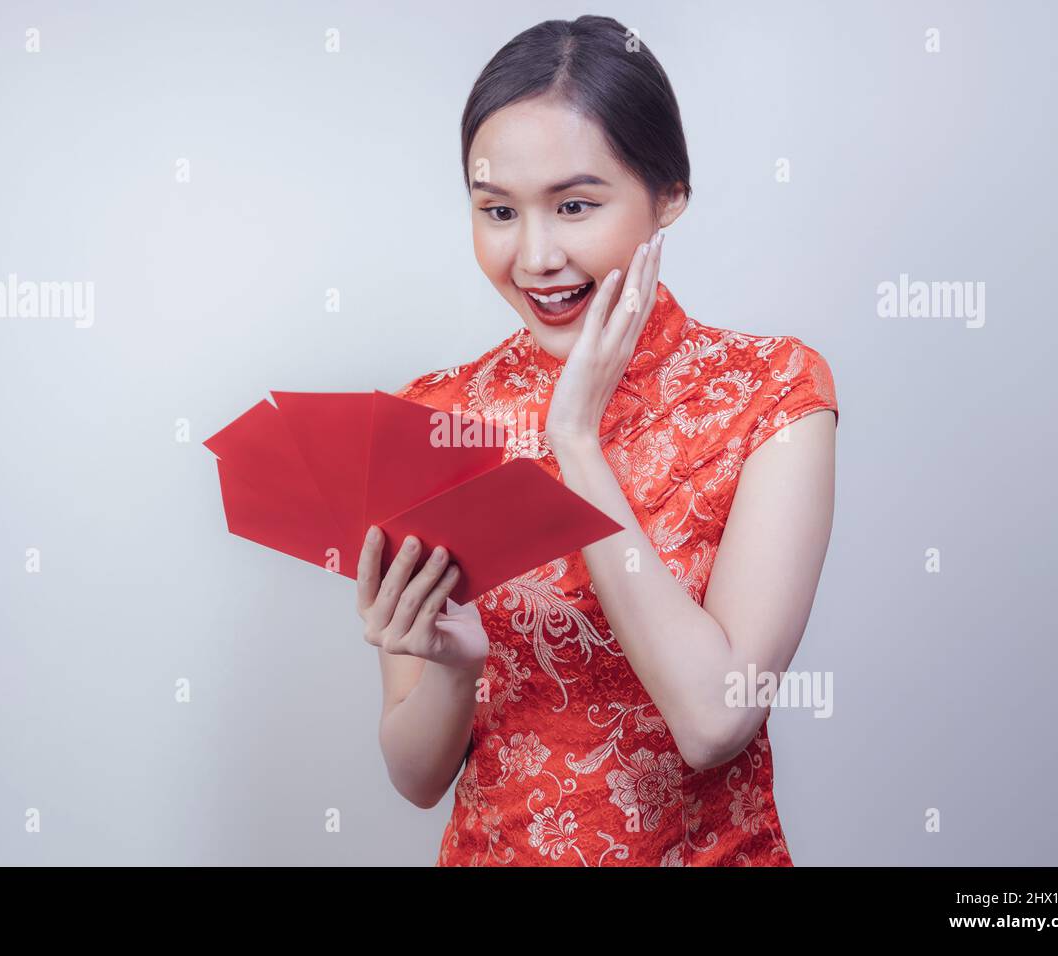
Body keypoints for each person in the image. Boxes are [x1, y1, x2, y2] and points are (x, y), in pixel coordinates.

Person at [357, 15, 838, 866]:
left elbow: (715, 719)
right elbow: (415, 776)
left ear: (669, 194)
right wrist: (454, 669)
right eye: (498, 211)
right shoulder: (429, 416)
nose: (537, 254)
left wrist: (575, 440)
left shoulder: (773, 394)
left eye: (576, 205)